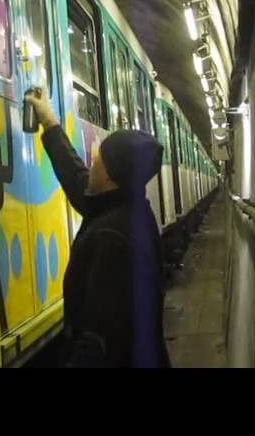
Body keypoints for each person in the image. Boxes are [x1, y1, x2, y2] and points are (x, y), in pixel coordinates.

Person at [25, 87, 171, 368]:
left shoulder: (113, 238)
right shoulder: (123, 209)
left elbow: (99, 342)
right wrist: (50, 124)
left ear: (111, 175)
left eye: (98, 161)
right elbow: (78, 179)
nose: (91, 165)